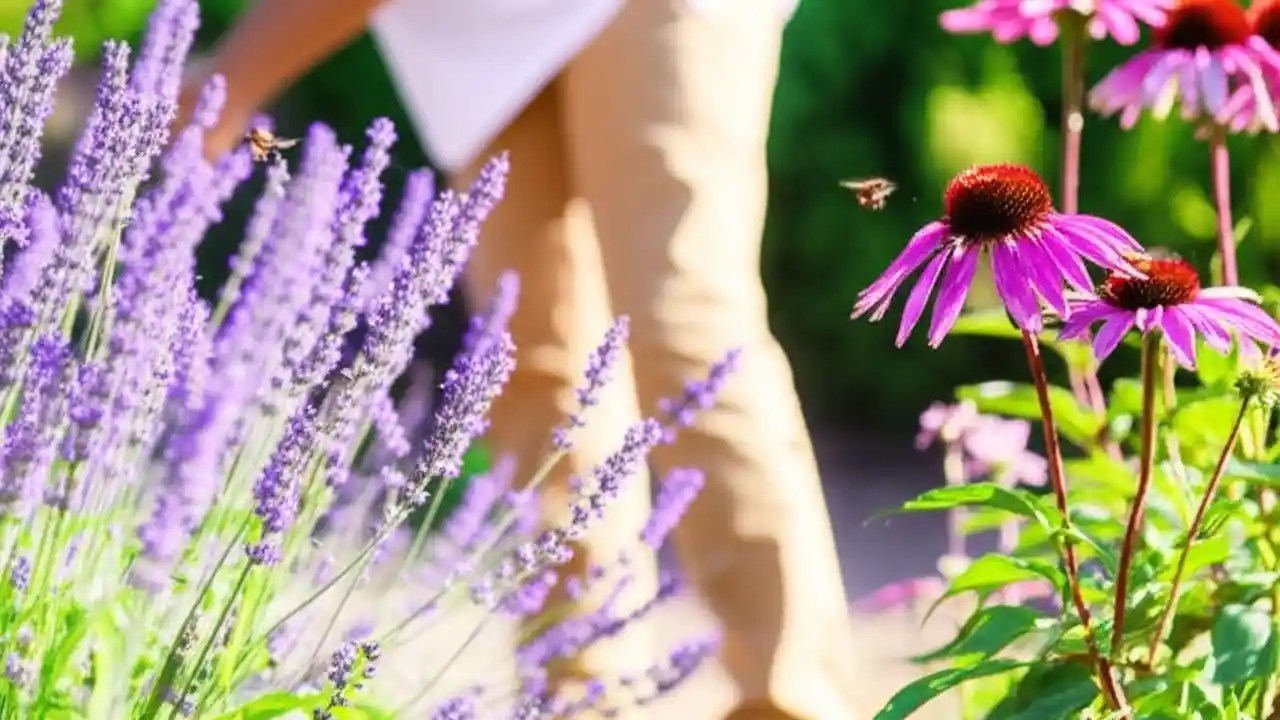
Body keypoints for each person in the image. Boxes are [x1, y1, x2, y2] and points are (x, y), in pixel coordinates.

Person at [183, 1, 860, 718]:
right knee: (535, 366)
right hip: (481, 36)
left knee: (685, 329)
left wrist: (227, 81)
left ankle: (792, 698)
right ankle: (574, 696)